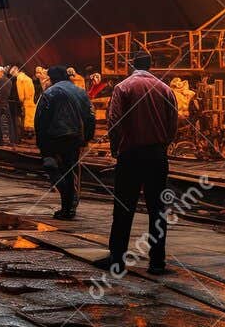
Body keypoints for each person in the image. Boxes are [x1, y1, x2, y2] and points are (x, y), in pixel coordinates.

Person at [93, 51, 179, 275]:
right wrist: (162, 146)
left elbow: (114, 121)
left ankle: (117, 259)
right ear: (151, 65)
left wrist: (116, 148)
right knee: (157, 209)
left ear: (132, 65)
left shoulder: (123, 88)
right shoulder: (165, 89)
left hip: (130, 155)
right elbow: (173, 124)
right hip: (157, 156)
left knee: (123, 207)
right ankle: (157, 262)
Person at [34, 66, 95, 219]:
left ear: (53, 78)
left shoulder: (49, 93)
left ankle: (67, 205)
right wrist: (87, 137)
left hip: (55, 138)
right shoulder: (80, 92)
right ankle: (69, 206)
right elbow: (90, 116)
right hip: (75, 138)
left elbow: (41, 119)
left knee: (53, 167)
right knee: (71, 171)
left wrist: (41, 142)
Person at [16, 64, 37, 138]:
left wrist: (21, 100)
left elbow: (20, 92)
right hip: (31, 100)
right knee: (31, 117)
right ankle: (31, 132)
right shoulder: (28, 78)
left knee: (25, 118)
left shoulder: (19, 78)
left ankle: (27, 133)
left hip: (25, 101)